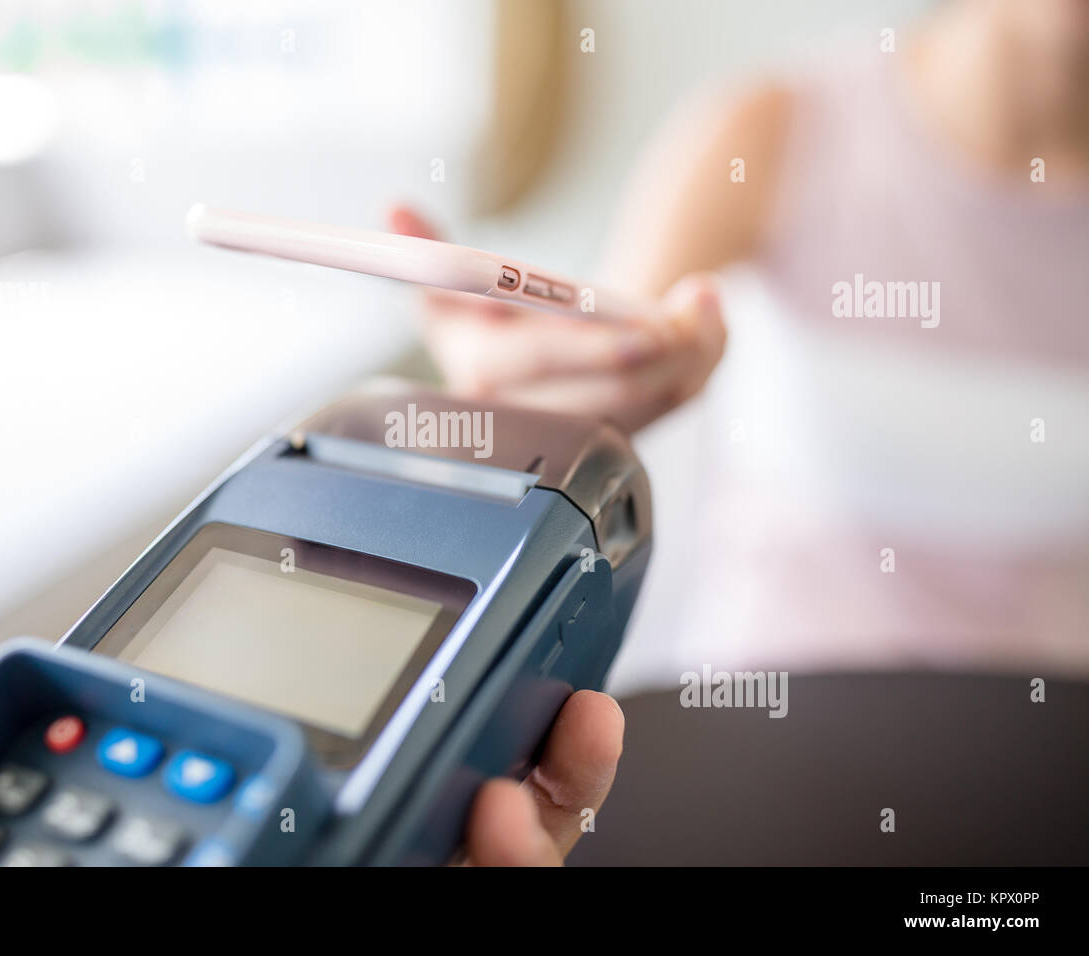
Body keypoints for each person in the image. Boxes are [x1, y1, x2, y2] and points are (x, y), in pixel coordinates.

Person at [454, 0, 1089, 863]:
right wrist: (519, 395)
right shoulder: (774, 127)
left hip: (1049, 780)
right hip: (760, 759)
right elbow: (581, 385)